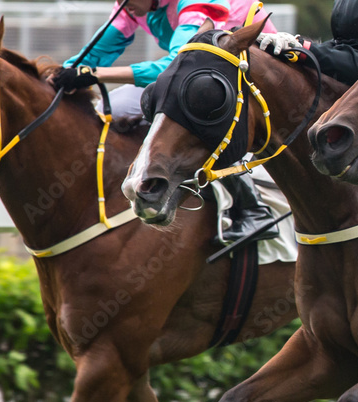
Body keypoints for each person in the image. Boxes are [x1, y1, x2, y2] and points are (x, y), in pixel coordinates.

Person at [52, 0, 280, 245]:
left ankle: (252, 208)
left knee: (191, 105)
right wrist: (55, 79)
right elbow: (94, 53)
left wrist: (95, 75)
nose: (120, 3)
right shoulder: (132, 7)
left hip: (257, 83)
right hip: (207, 79)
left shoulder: (195, 5)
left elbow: (172, 68)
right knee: (115, 106)